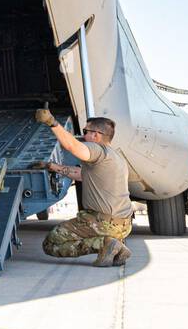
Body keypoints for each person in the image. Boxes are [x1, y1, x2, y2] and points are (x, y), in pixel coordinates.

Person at [32, 109, 133, 267]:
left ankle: (104, 244)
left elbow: (72, 146)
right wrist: (52, 166)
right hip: (123, 225)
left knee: (50, 244)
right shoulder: (116, 157)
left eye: (86, 131)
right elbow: (81, 174)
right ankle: (115, 247)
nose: (84, 135)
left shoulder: (97, 150)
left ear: (96, 135)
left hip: (102, 222)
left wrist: (51, 122)